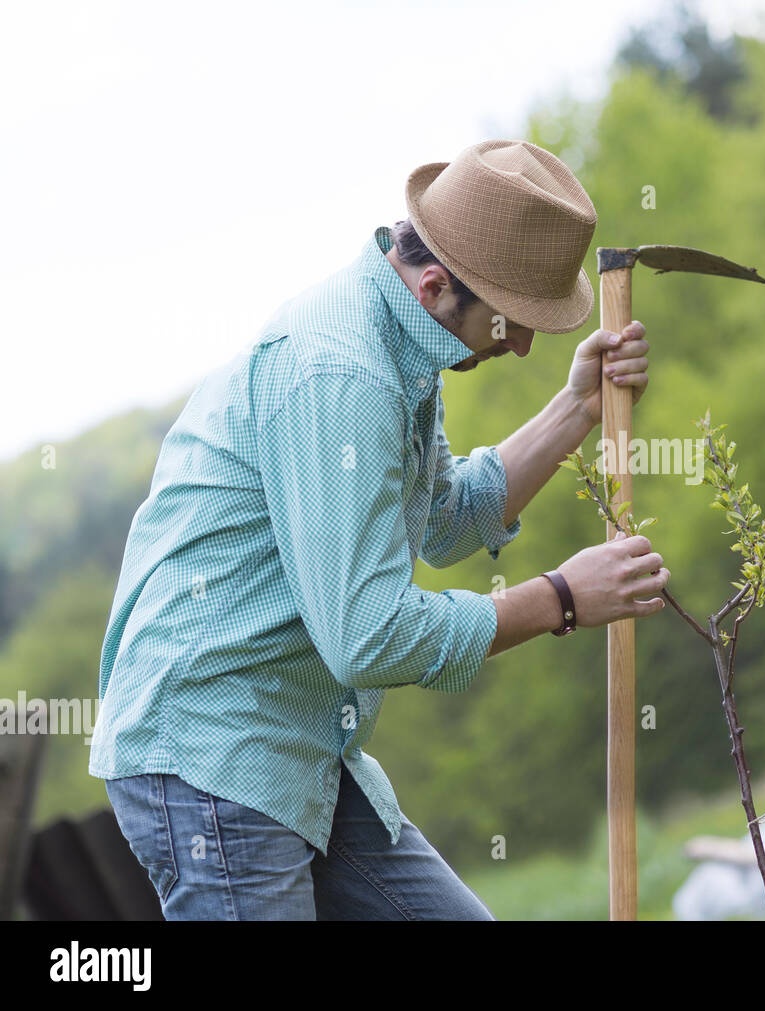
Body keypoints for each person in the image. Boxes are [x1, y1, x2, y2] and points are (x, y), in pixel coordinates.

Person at [89, 139, 668, 920]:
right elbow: (368, 635)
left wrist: (575, 409)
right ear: (434, 286)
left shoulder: (401, 347)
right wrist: (561, 597)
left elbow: (445, 518)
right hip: (212, 751)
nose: (523, 344)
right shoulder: (343, 374)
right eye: (511, 324)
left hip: (302, 745)